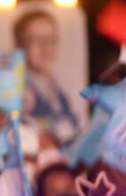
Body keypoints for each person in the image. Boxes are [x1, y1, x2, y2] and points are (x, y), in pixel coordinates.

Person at [13, 10, 80, 144]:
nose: (47, 47)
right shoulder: (16, 88)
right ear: (19, 44)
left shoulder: (54, 88)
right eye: (37, 40)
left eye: (52, 40)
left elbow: (71, 121)